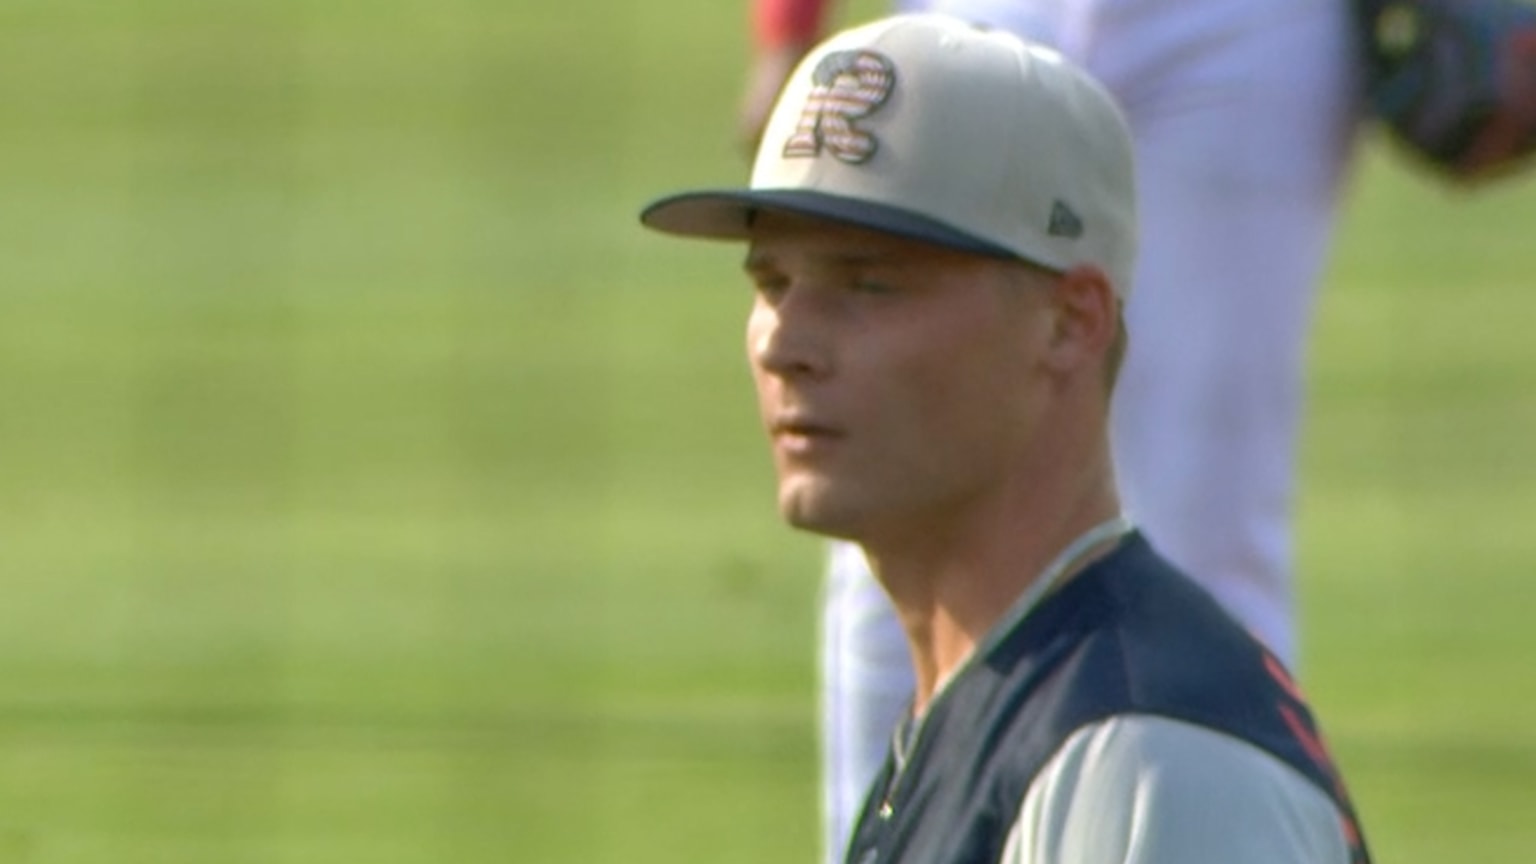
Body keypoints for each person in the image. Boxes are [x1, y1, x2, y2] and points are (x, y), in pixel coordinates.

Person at [641, 14, 1371, 863]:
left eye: (869, 284)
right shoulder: (970, 716)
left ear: (1070, 323)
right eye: (772, 281)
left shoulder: (1148, 763)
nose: (782, 342)